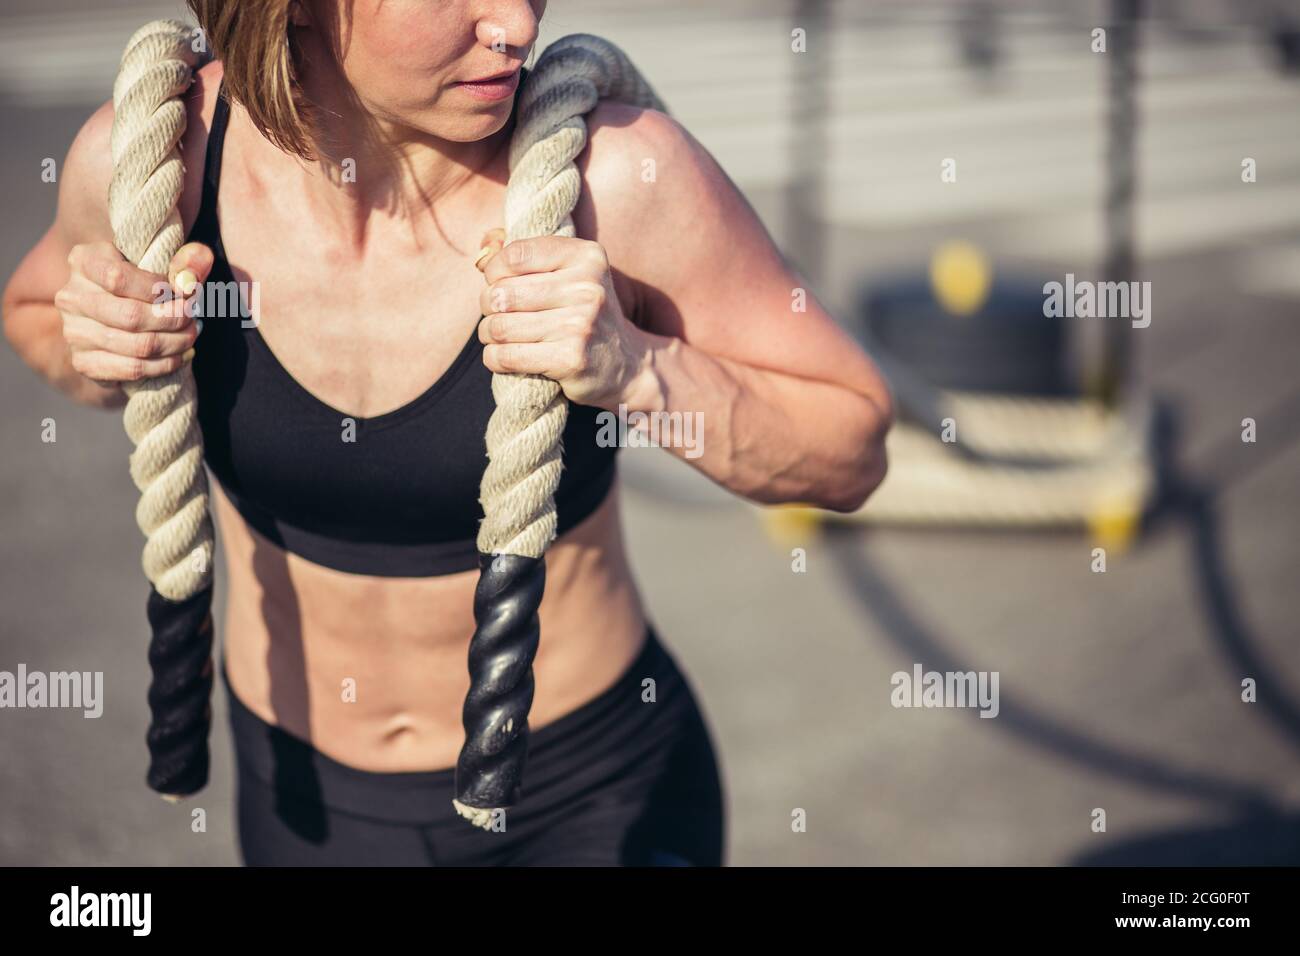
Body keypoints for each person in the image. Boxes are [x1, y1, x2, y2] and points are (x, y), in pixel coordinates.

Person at [1, 0, 893, 866]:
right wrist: (107, 346)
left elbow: (850, 445)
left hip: (584, 794)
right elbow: (38, 314)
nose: (516, 24)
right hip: (303, 805)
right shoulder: (159, 159)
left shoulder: (613, 179)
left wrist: (640, 367)